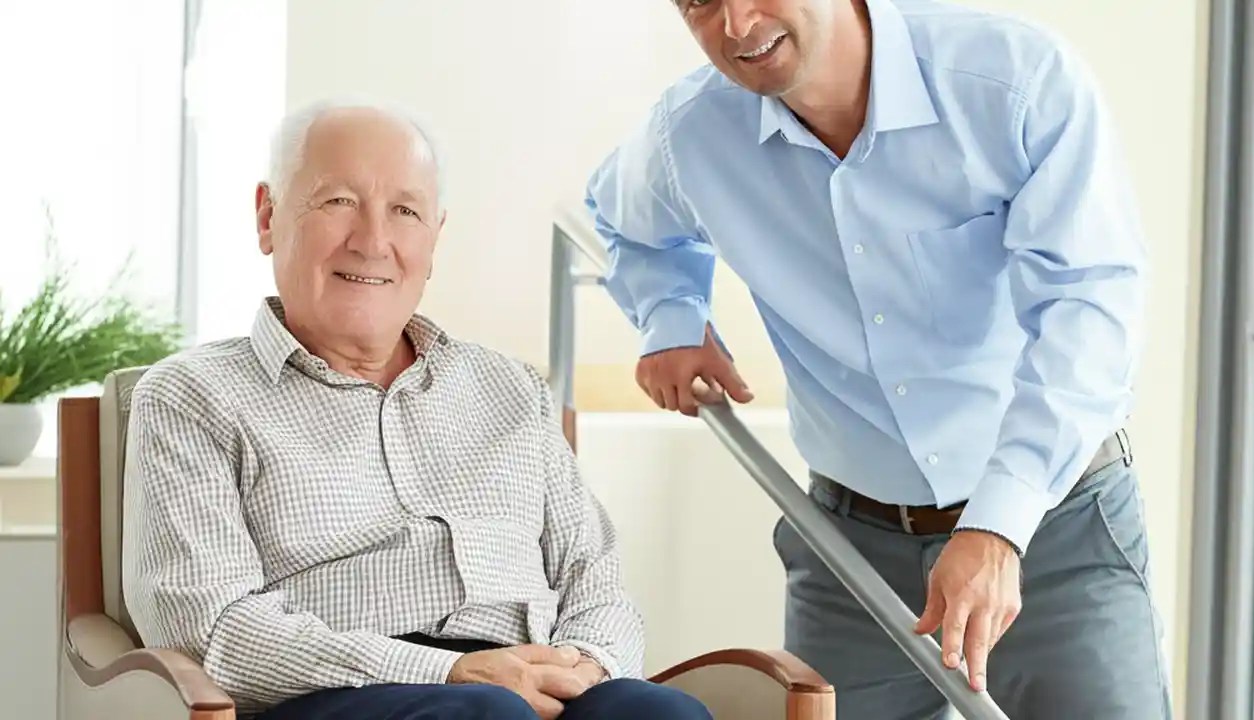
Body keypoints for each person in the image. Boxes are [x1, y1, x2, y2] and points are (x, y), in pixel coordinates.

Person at [584, 0, 1171, 717]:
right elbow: (622, 219)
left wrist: (997, 525)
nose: (735, 25)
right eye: (700, 2)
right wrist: (670, 317)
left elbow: (1088, 311)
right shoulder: (691, 132)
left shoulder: (1013, 81)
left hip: (1053, 529)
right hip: (851, 552)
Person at [121, 100, 711, 720]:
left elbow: (595, 579)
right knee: (485, 716)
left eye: (404, 211)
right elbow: (210, 629)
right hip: (339, 695)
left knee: (660, 715)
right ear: (268, 216)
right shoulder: (191, 396)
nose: (373, 242)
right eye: (338, 201)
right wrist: (449, 672)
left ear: (434, 237)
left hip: (530, 683)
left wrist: (583, 667)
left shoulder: (512, 387)